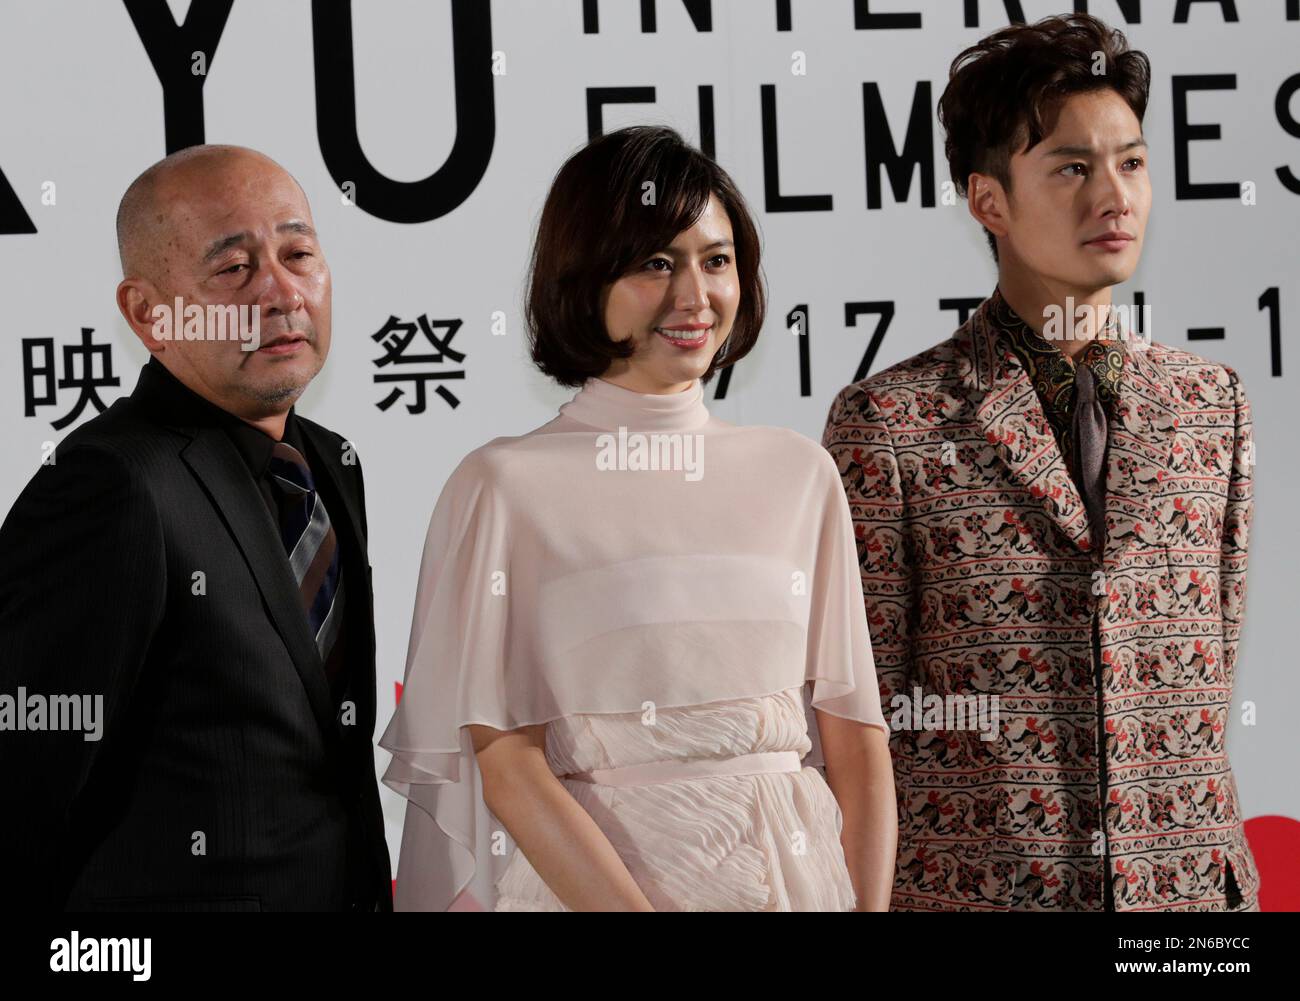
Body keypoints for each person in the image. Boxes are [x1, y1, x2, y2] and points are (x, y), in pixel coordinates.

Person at [381, 125, 896, 911]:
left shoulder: (799, 474)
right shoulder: (503, 487)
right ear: (585, 276)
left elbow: (856, 740)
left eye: (716, 260)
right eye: (657, 262)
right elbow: (508, 763)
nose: (695, 297)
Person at [822, 14, 1260, 911]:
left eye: (1132, 162)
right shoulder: (889, 425)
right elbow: (864, 724)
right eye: (1072, 167)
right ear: (989, 201)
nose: (1115, 196)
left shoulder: (1213, 406)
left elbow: (1209, 671)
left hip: (1189, 913)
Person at [0, 145, 392, 911]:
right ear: (149, 313)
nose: (282, 293)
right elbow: (21, 788)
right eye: (234, 270)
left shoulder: (329, 464)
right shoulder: (111, 485)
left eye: (298, 253)